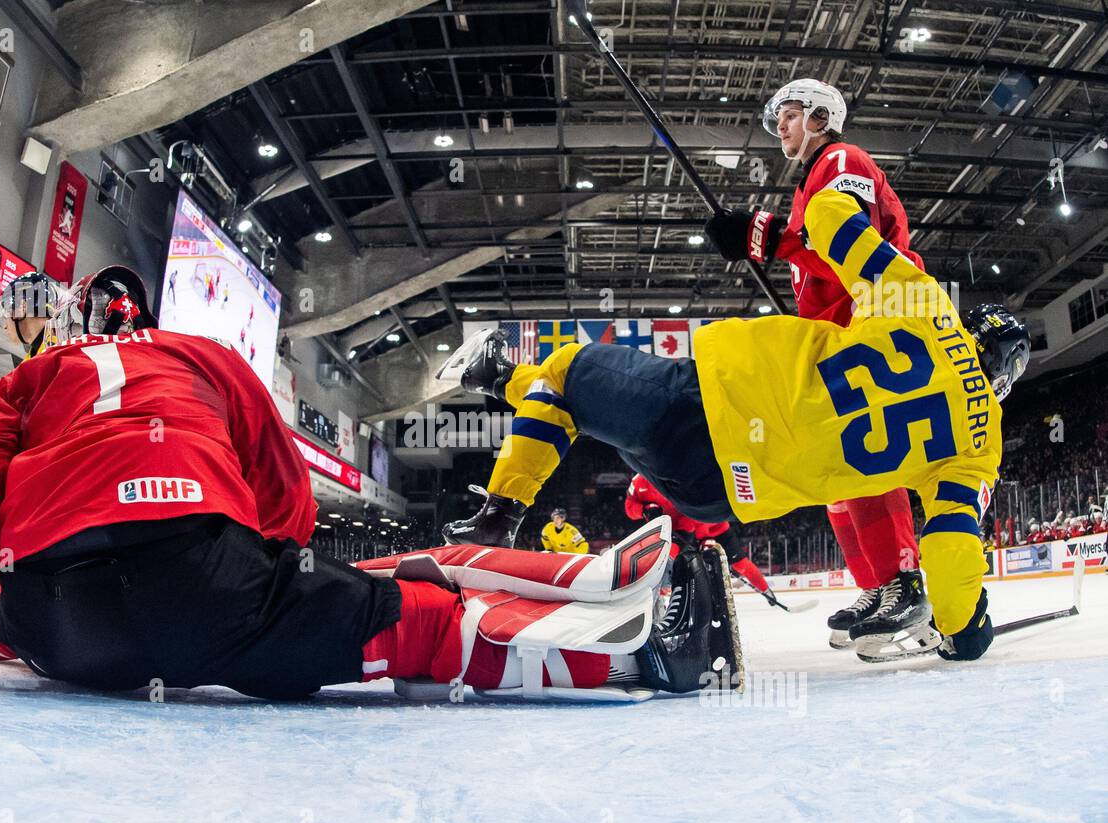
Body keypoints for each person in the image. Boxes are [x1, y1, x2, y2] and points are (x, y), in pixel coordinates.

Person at [0, 266, 738, 703]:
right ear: (149, 314)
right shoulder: (205, 355)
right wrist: (278, 568)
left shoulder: (32, 379)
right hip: (201, 581)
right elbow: (281, 494)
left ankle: (623, 638)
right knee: (409, 615)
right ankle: (640, 657)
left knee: (2, 614)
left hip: (60, 625)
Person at [439, 189, 1031, 664]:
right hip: (723, 492)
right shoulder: (980, 444)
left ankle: (498, 515)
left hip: (708, 405)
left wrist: (804, 217)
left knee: (564, 375)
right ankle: (501, 381)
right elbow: (951, 544)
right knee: (573, 401)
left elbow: (830, 217)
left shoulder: (925, 306)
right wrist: (965, 626)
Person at [704, 79, 926, 650]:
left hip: (872, 323)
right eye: (778, 117)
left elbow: (851, 241)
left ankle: (905, 582)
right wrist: (767, 238)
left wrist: (762, 235)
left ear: (824, 116)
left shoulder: (841, 159)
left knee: (868, 456)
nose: (780, 125)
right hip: (836, 331)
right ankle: (878, 586)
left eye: (792, 114)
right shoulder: (809, 183)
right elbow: (814, 253)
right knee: (838, 473)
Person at [625, 473, 779, 607]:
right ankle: (660, 595)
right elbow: (629, 508)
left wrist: (705, 537)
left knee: (740, 563)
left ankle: (766, 591)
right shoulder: (638, 482)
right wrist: (643, 510)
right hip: (675, 527)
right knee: (667, 559)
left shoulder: (679, 476)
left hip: (714, 526)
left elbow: (697, 510)